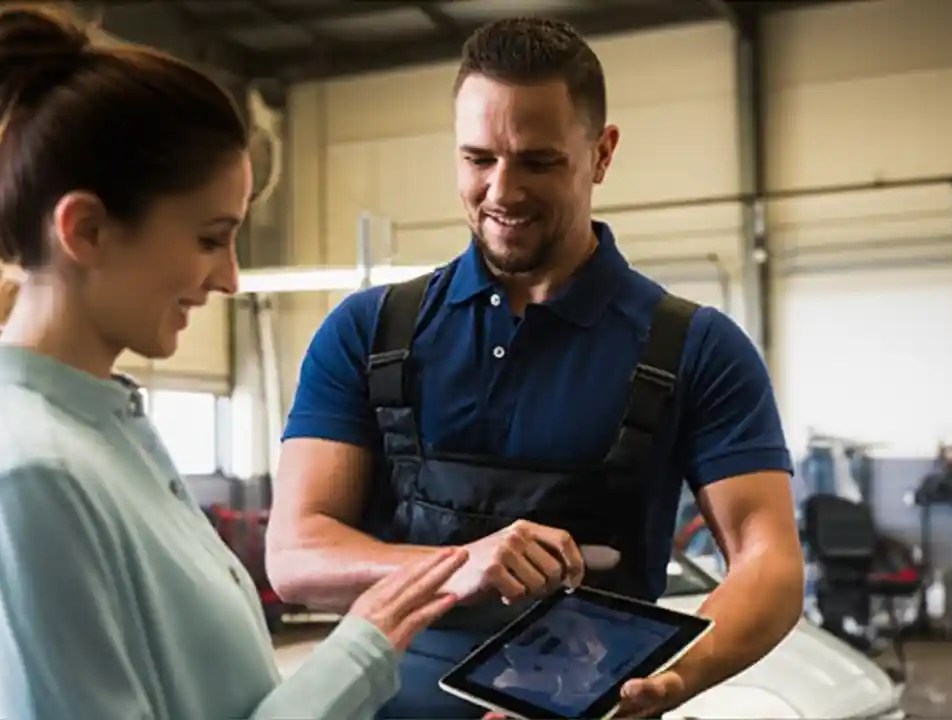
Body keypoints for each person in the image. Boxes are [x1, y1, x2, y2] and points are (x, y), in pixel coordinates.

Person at [0, 9, 467, 720]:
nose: (230, 278)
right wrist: (357, 656)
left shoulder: (97, 431)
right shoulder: (26, 475)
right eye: (211, 238)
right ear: (86, 229)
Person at [266, 15, 805, 719]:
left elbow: (771, 563)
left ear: (601, 153)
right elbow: (297, 557)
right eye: (478, 158)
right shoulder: (369, 334)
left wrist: (670, 680)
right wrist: (462, 567)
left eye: (538, 161)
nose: (503, 191)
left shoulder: (696, 349)